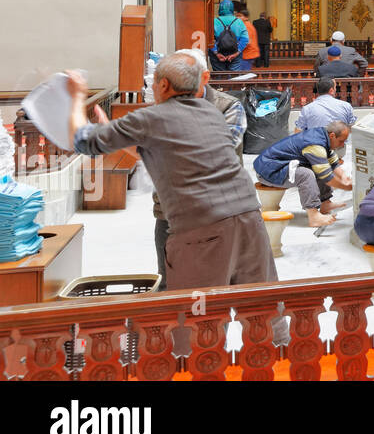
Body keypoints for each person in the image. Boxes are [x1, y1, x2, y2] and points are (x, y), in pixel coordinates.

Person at [66, 52, 277, 290]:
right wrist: (114, 134)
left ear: (164, 84)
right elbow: (164, 150)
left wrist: (76, 98)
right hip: (249, 216)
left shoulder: (151, 118)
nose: (152, 88)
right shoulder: (212, 113)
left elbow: (83, 141)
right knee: (261, 307)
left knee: (196, 315)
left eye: (153, 82)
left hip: (203, 226)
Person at [151, 49, 247, 289]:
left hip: (217, 213)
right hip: (170, 212)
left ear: (204, 77)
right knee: (169, 282)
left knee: (215, 285)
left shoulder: (228, 107)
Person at [254, 120, 352, 228]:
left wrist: (344, 177)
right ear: (332, 135)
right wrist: (346, 187)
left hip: (278, 165)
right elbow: (327, 177)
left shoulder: (323, 136)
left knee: (319, 166)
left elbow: (333, 163)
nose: (342, 145)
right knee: (306, 174)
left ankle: (325, 203)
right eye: (341, 141)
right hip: (269, 171)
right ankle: (313, 216)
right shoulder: (315, 144)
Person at [211, 0, 249, 72]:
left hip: (218, 55)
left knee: (220, 77)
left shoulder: (214, 21)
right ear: (232, 9)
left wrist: (216, 53)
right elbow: (245, 39)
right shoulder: (239, 22)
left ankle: (221, 83)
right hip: (234, 54)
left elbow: (209, 40)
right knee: (234, 77)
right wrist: (236, 53)